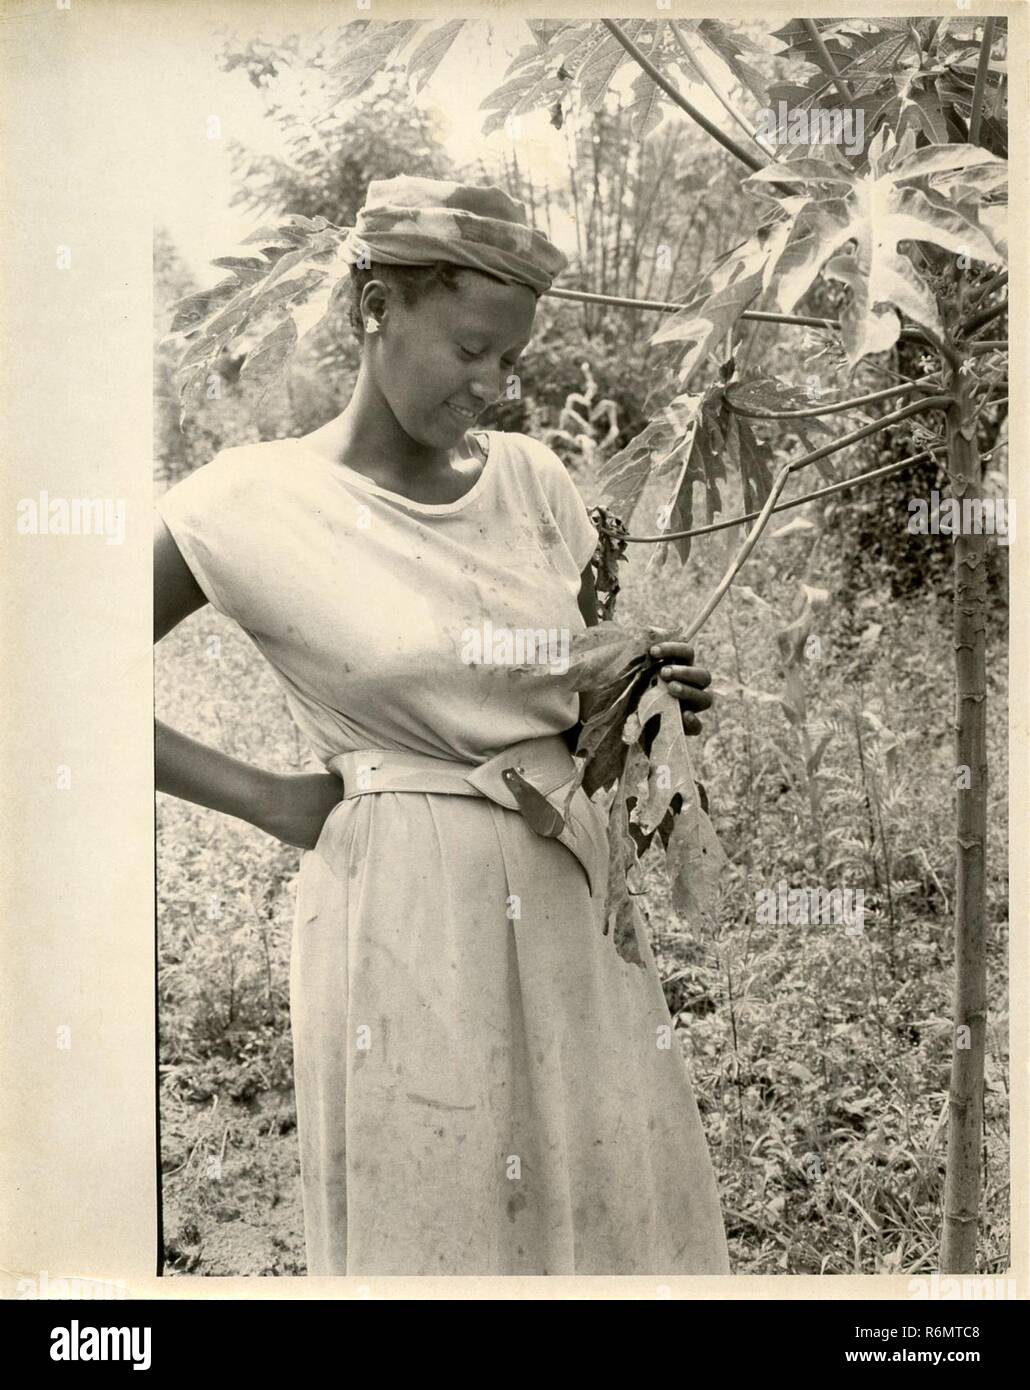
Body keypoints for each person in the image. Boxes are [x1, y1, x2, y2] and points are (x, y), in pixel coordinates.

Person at [154, 175, 730, 1277]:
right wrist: (269, 797)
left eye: (509, 361)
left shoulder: (532, 479)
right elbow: (43, 663)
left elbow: (572, 694)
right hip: (403, 906)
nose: (492, 387)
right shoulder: (249, 501)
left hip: (569, 888)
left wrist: (646, 699)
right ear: (377, 306)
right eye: (470, 348)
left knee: (597, 1197)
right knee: (436, 1200)